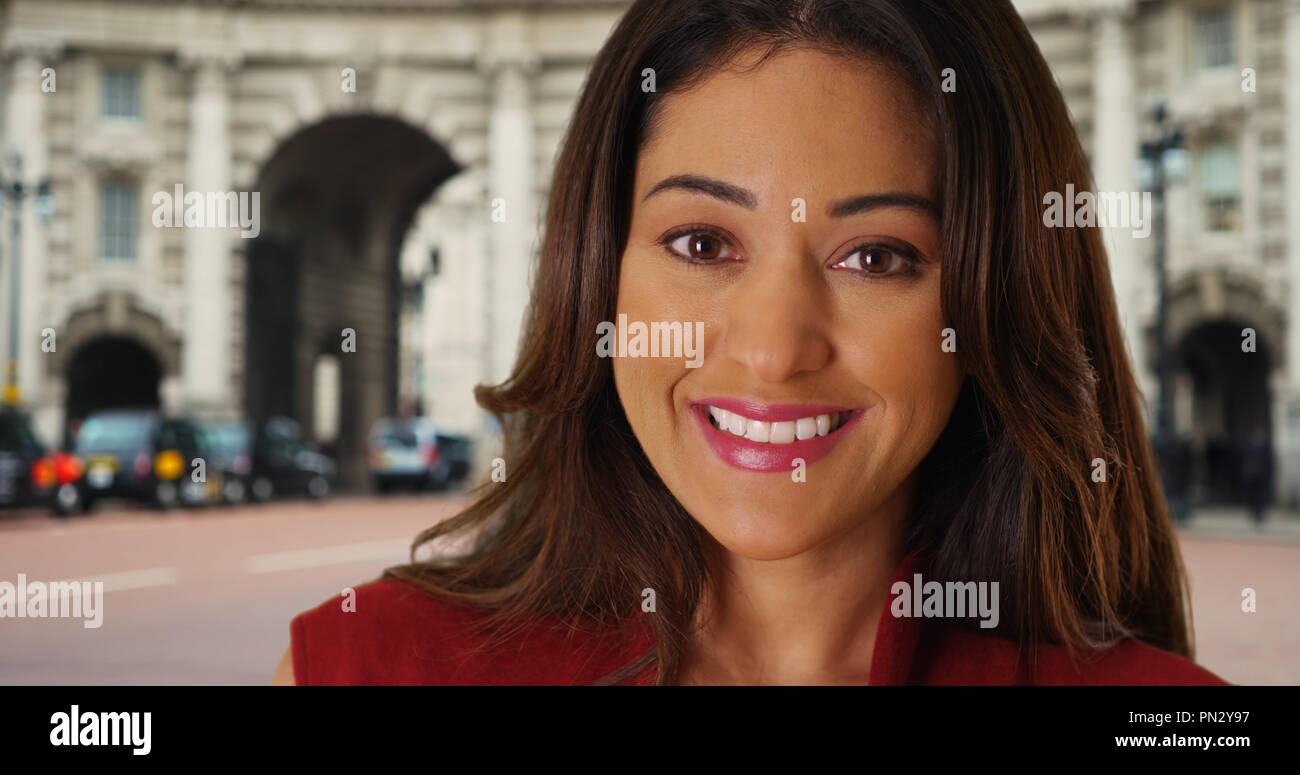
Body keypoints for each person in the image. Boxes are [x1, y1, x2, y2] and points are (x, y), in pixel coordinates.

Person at [274, 0, 1226, 685]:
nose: (773, 349)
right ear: (599, 272)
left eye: (877, 256)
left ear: (991, 303)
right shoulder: (365, 668)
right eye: (701, 243)